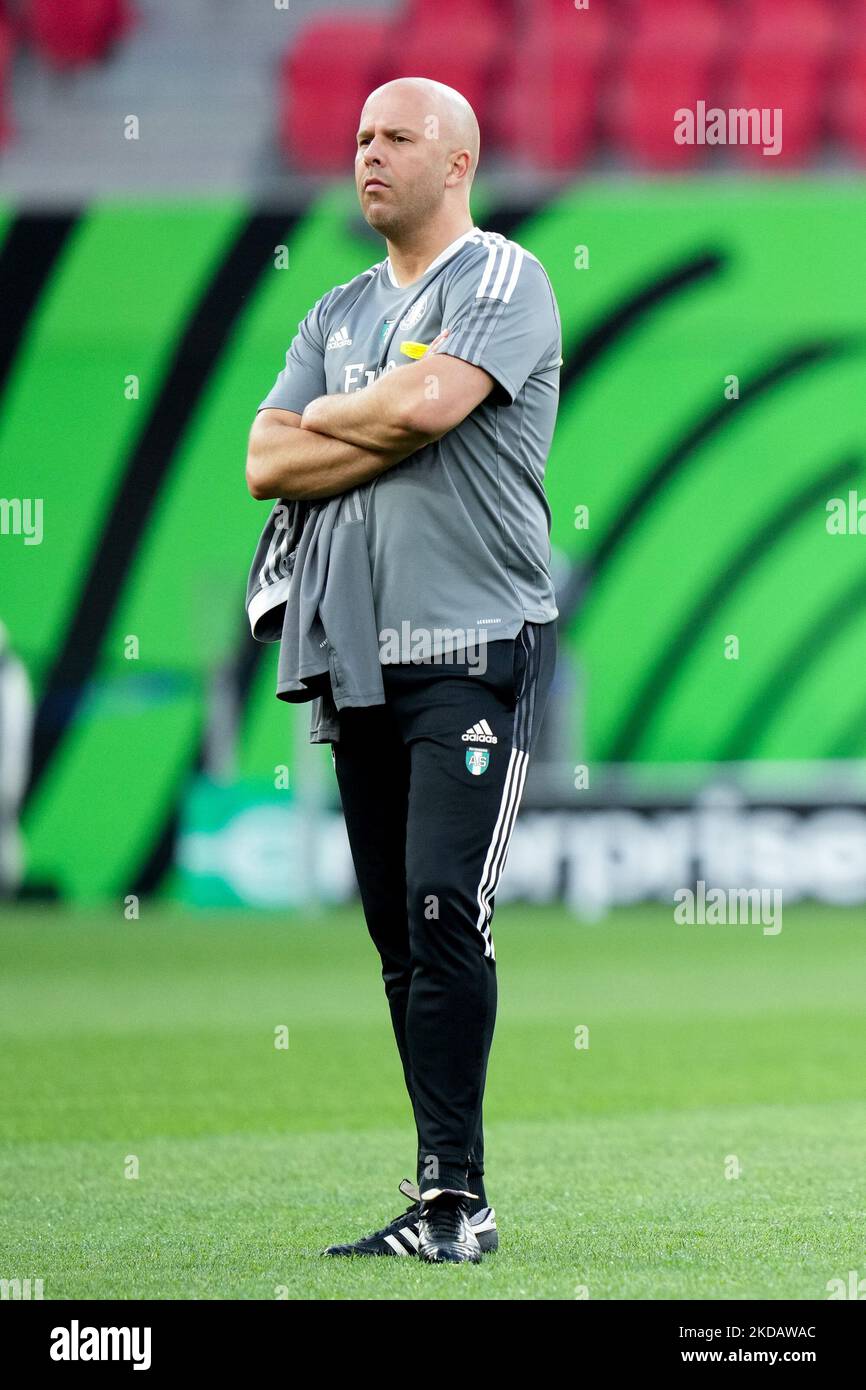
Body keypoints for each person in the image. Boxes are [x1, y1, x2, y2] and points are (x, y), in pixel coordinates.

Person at [246, 76, 561, 1263]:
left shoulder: (500, 278)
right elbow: (262, 462)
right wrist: (368, 415)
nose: (366, 155)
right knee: (396, 928)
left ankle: (454, 1200)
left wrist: (356, 415)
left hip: (472, 643)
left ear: (458, 160)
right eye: (359, 137)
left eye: (395, 138)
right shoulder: (333, 306)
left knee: (441, 904)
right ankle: (440, 1195)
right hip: (357, 655)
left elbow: (429, 407)